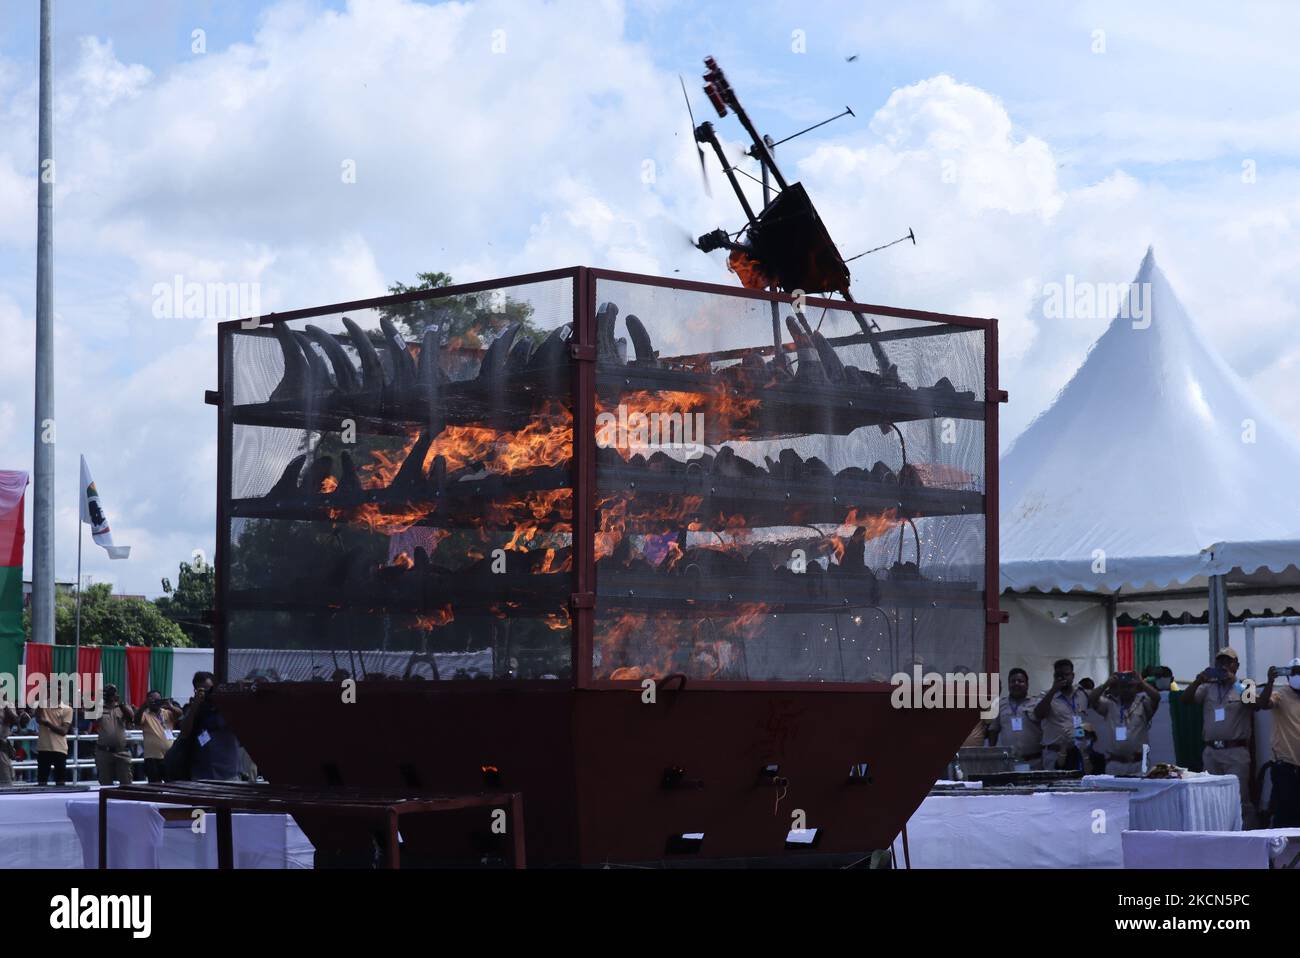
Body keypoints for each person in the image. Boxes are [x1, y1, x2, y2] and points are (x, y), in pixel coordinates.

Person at [1182, 647, 1256, 827]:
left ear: (1236, 665)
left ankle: (1246, 833)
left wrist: (1234, 683)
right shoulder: (1208, 687)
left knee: (1239, 797)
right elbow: (1185, 699)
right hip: (1212, 751)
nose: (1223, 666)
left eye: (1227, 662)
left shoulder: (1244, 685)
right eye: (1220, 662)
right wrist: (1198, 679)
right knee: (1211, 796)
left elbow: (1255, 704)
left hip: (1235, 751)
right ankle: (1218, 831)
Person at [1089, 671, 1160, 775]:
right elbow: (1091, 699)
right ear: (1118, 688)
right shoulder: (1109, 704)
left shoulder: (1143, 703)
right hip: (1115, 763)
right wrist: (1106, 684)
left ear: (1136, 688)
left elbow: (1156, 698)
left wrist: (1142, 683)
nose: (1126, 689)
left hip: (1138, 763)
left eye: (1130, 686)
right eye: (1122, 686)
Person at [1257, 657, 1300, 827]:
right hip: (1285, 765)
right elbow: (1263, 704)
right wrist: (1269, 682)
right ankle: (1281, 852)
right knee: (1285, 812)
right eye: (1294, 672)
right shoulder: (1281, 694)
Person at [180, 672, 241, 781]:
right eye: (201, 690)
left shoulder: (228, 706)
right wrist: (196, 705)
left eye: (209, 689)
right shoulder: (195, 708)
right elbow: (184, 732)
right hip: (202, 773)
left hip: (228, 772)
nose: (206, 694)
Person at [1033, 658, 1090, 769]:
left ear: (1072, 676)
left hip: (1079, 752)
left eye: (1066, 674)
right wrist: (1054, 690)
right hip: (1055, 753)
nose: (1062, 677)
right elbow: (1038, 714)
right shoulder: (1046, 695)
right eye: (1058, 675)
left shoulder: (1081, 694)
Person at [987, 668, 1042, 769]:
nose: (1016, 684)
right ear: (1008, 684)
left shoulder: (1037, 703)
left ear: (1027, 684)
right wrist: (991, 754)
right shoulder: (1000, 705)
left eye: (1020, 681)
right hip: (1009, 763)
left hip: (1035, 762)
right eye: (1012, 681)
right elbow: (993, 730)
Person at [135, 690, 182, 783]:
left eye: (158, 700)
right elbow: (136, 721)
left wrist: (171, 706)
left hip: (169, 756)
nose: (155, 702)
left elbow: (180, 714)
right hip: (152, 758)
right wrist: (144, 706)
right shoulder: (145, 714)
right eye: (153, 700)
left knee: (172, 784)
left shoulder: (167, 712)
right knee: (155, 786)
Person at [92, 685, 135, 786]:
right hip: (104, 752)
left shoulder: (123, 707)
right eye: (108, 693)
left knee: (126, 782)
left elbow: (132, 717)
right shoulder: (99, 708)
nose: (110, 696)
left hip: (121, 751)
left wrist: (120, 704)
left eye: (112, 693)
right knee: (105, 783)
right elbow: (90, 716)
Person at [35, 702, 75, 786]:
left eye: (58, 689)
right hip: (44, 748)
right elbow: (38, 718)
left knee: (60, 781)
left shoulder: (67, 709)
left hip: (60, 748)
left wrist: (48, 724)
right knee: (42, 781)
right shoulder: (42, 706)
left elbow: (64, 731)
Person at [0, 701, 28, 785]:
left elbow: (14, 720)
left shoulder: (8, 703)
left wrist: (4, 705)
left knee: (5, 775)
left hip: (1, 743)